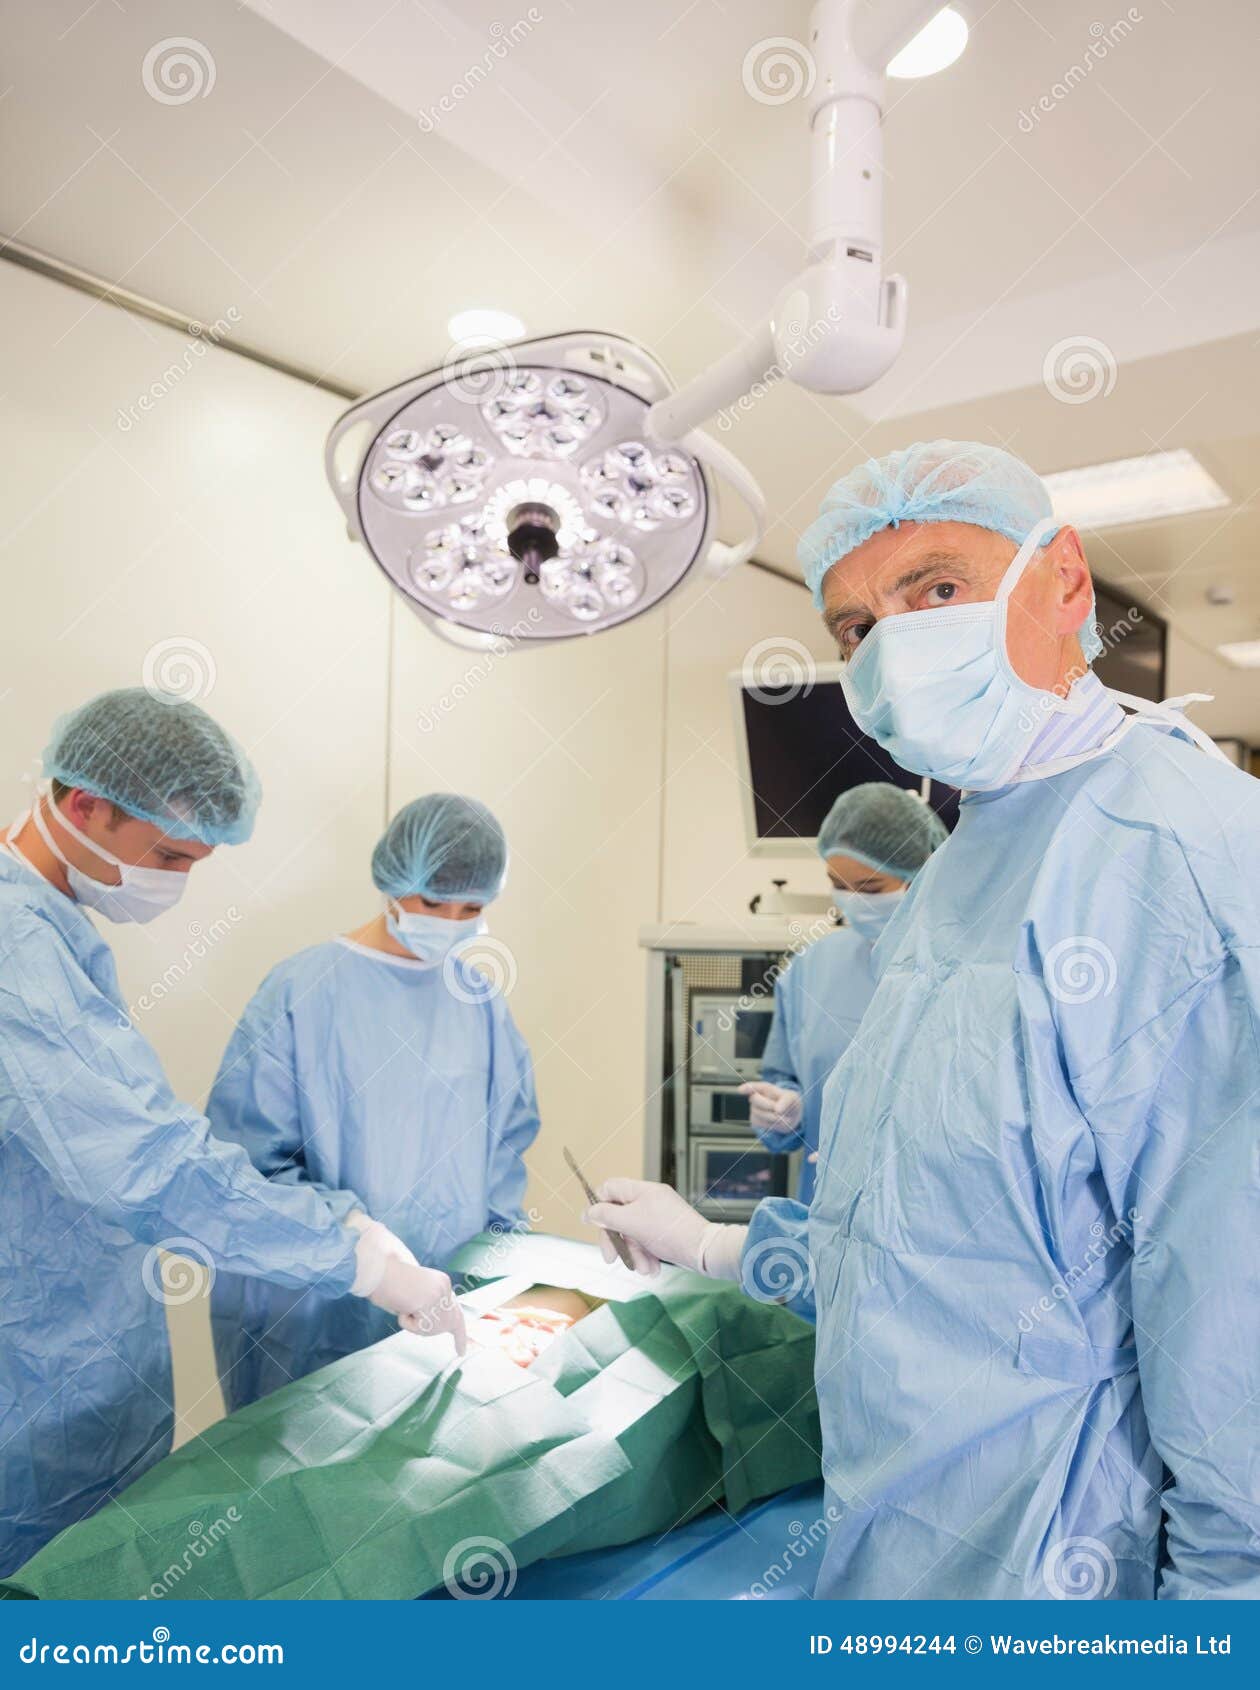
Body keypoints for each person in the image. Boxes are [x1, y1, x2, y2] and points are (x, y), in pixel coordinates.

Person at [588, 440, 1260, 1600]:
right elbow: (916, 1242)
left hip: (1060, 1566)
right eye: (855, 626)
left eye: (938, 587)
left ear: (1066, 580)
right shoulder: (963, 864)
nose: (893, 646)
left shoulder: (1182, 858)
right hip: (901, 1535)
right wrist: (718, 1245)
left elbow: (1229, 1318)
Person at [0, 690, 463, 1577]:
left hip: (71, 1370)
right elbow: (146, 1166)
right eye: (169, 856)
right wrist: (358, 1257)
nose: (177, 882)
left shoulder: (51, 930)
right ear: (84, 804)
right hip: (30, 1395)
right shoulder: (16, 947)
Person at [208, 792, 540, 1409]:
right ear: (392, 880)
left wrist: (500, 1282)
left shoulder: (480, 1004)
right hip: (311, 1320)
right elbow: (247, 1172)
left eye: (471, 907)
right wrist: (359, 1252)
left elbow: (501, 1166)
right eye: (433, 902)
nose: (452, 919)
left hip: (445, 1313)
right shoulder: (301, 992)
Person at [741, 782, 945, 1202]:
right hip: (824, 1211)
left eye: (870, 889)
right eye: (837, 883)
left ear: (925, 874)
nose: (852, 902)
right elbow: (783, 1076)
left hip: (927, 1214)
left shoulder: (964, 970)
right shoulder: (810, 968)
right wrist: (786, 1110)